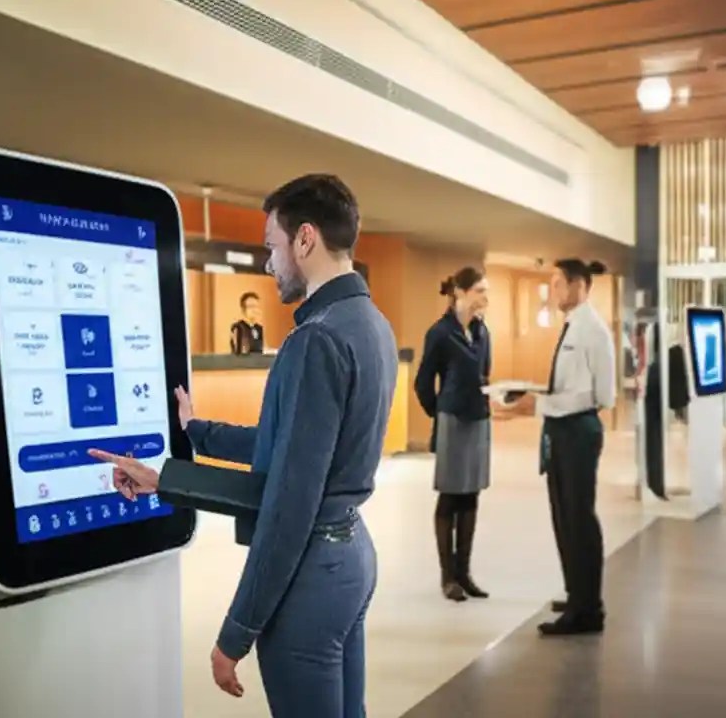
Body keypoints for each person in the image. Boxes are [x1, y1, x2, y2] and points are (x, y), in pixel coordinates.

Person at [90, 174, 397, 718]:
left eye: (272, 247)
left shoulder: (316, 339)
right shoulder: (371, 324)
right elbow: (289, 449)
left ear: (305, 239)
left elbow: (289, 505)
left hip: (310, 572)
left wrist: (236, 633)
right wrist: (195, 435)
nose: (269, 264)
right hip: (350, 557)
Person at [537, 258, 615, 637]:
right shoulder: (571, 325)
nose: (553, 291)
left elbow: (602, 395)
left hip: (578, 433)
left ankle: (588, 609)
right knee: (563, 517)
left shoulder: (593, 330)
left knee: (579, 518)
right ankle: (576, 594)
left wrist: (539, 403)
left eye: (557, 283)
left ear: (578, 286)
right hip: (560, 430)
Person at [414, 266, 492, 602]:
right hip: (453, 420)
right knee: (450, 496)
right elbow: (422, 382)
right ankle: (448, 577)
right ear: (460, 292)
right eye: (480, 290)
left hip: (479, 419)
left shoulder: (482, 331)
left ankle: (465, 573)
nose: (485, 297)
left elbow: (484, 374)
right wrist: (440, 411)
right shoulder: (440, 333)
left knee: (471, 495)